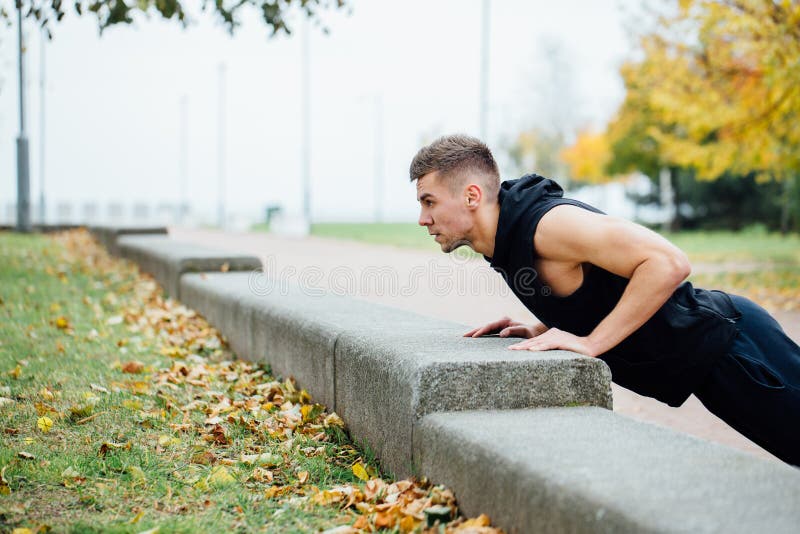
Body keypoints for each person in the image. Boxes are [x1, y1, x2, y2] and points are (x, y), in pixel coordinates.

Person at [409, 133, 800, 466]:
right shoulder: (503, 237)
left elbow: (667, 263)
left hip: (737, 350)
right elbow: (596, 286)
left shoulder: (548, 225)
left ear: (472, 196)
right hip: (710, 366)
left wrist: (591, 343)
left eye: (429, 202)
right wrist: (543, 326)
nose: (423, 218)